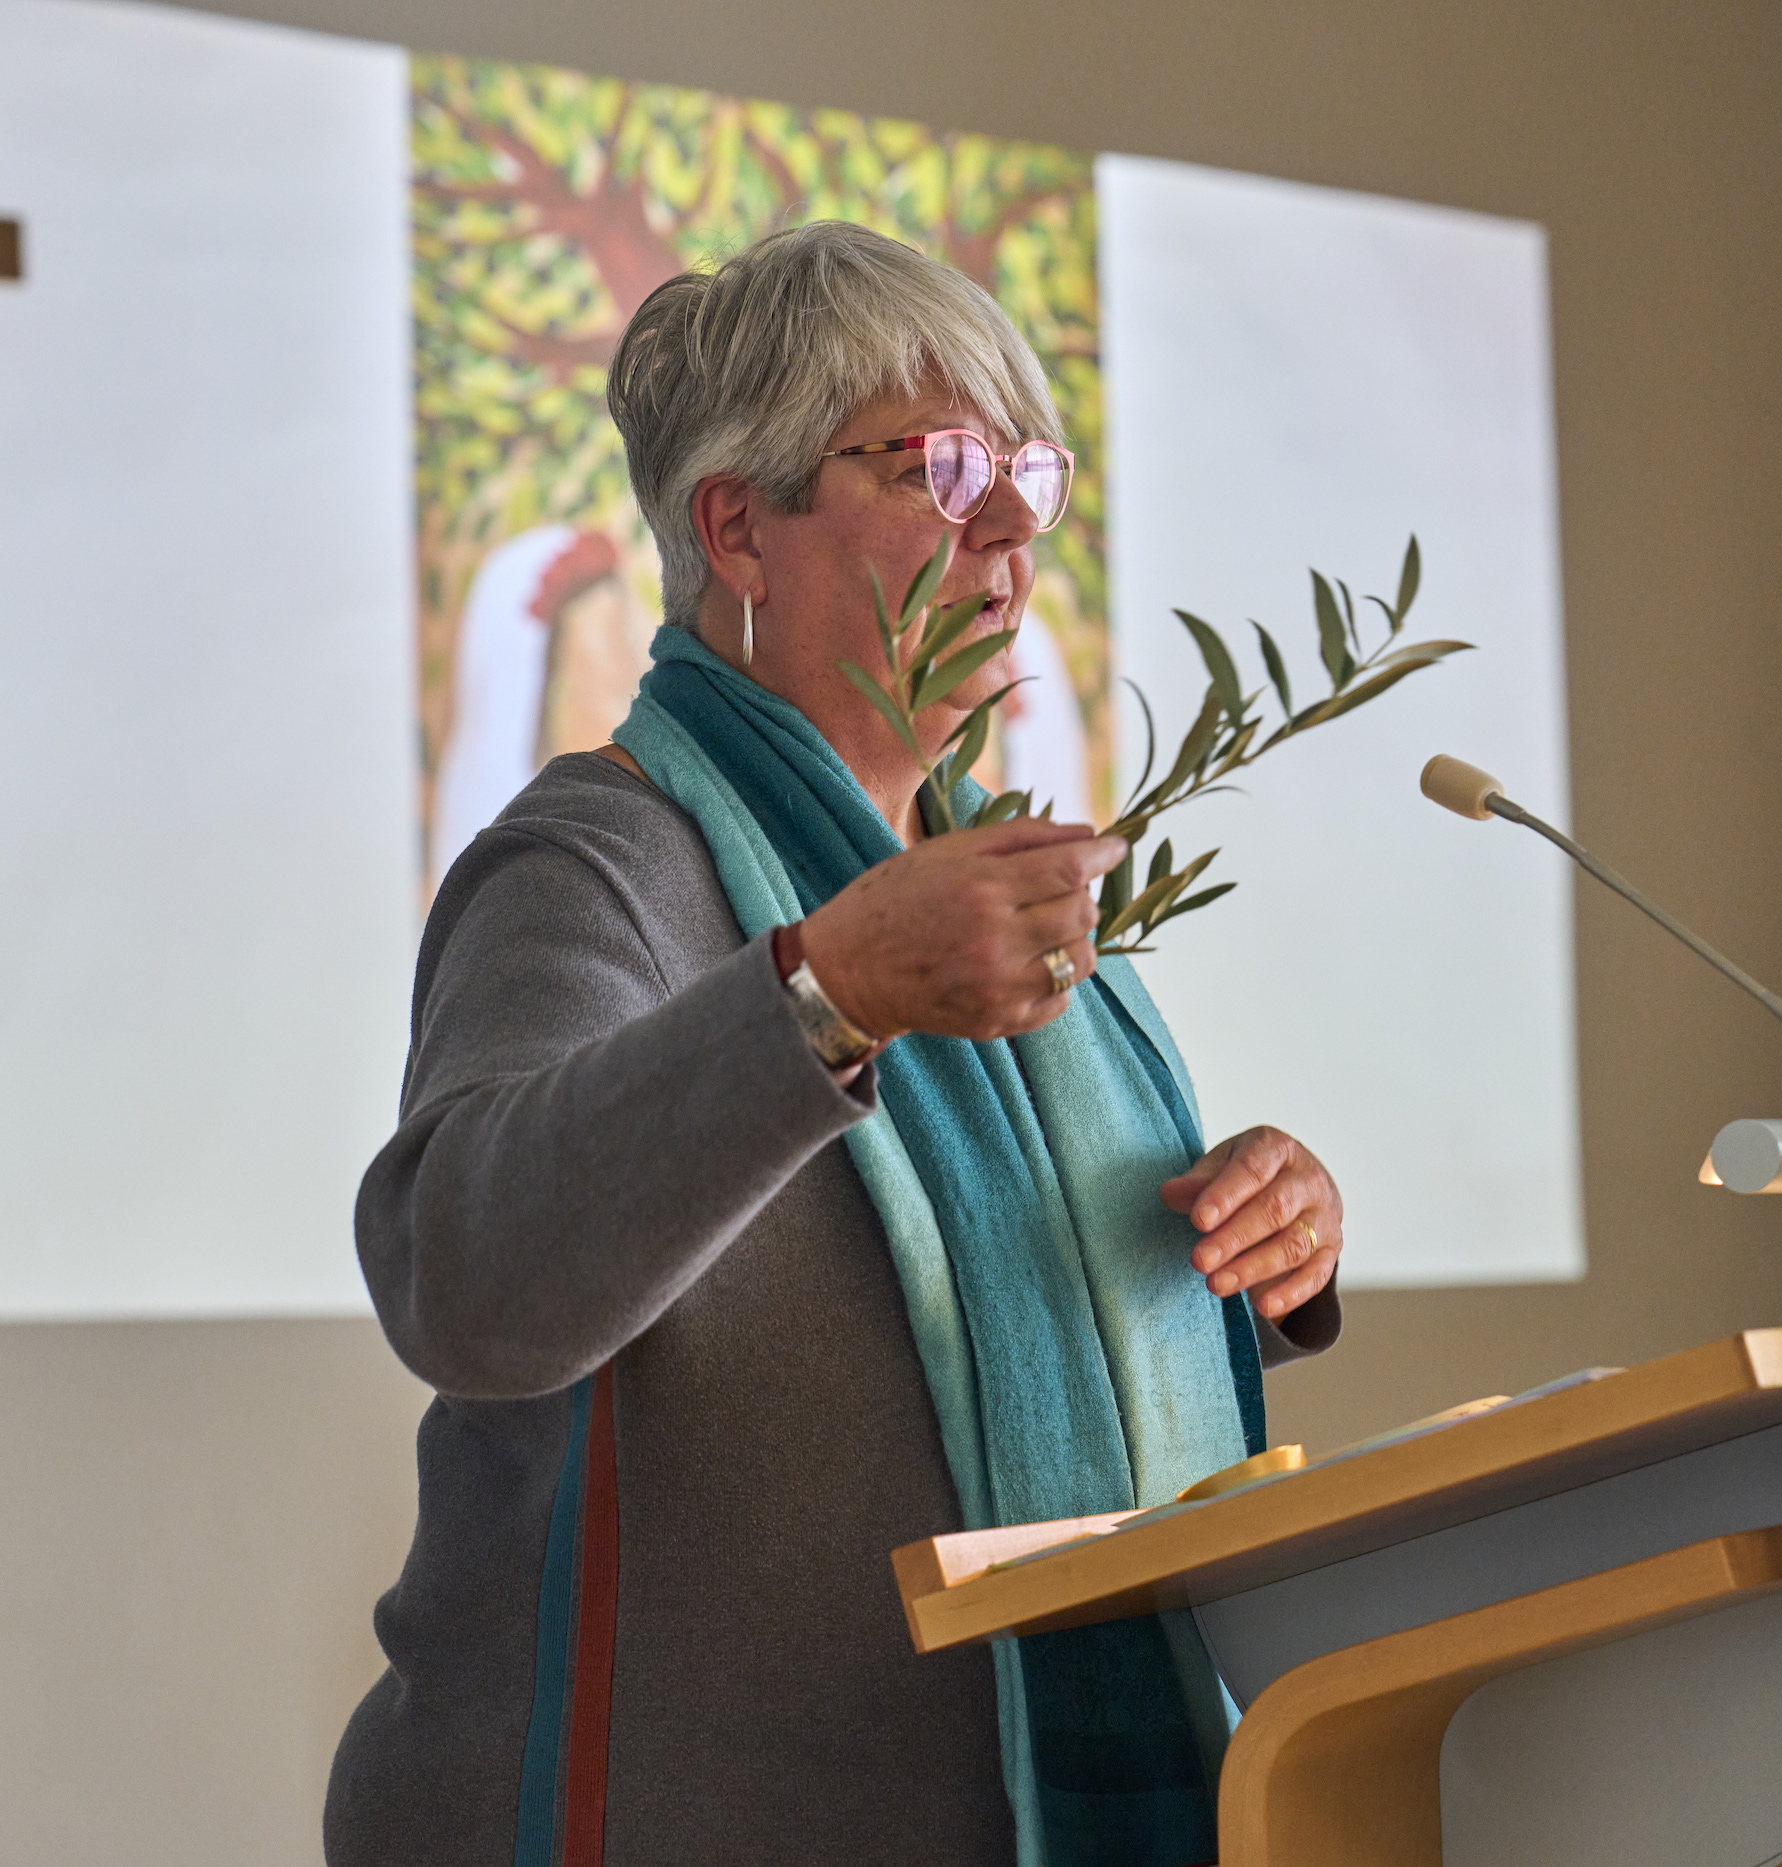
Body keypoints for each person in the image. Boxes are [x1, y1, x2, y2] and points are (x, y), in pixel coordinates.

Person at [326, 221, 1346, 1867]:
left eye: (1026, 465)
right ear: (737, 525)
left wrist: (1258, 1224)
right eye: (940, 466)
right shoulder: (600, 858)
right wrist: (824, 992)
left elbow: (1001, 1267)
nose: (1011, 522)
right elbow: (466, 1277)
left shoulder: (975, 870)